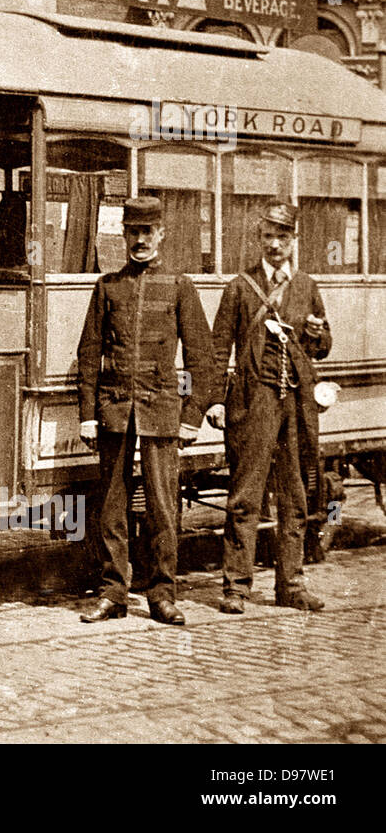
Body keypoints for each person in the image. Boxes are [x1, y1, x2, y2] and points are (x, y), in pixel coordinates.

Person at [77, 196, 216, 626]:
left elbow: (202, 358)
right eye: (132, 232)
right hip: (115, 411)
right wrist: (87, 412)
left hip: (161, 411)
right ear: (123, 235)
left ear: (161, 234)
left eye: (147, 232)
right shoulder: (107, 287)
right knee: (112, 507)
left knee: (161, 506)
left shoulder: (180, 286)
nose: (140, 240)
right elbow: (88, 355)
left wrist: (192, 415)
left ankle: (162, 594)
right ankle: (113, 593)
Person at [206, 201, 330, 614]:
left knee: (295, 496)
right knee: (246, 496)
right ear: (259, 240)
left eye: (283, 237)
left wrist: (318, 334)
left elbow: (321, 348)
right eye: (268, 237)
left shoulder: (307, 286)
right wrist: (214, 403)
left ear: (294, 241)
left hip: (295, 405)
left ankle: (291, 586)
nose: (275, 244)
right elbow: (218, 347)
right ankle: (237, 588)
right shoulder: (241, 287)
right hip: (253, 402)